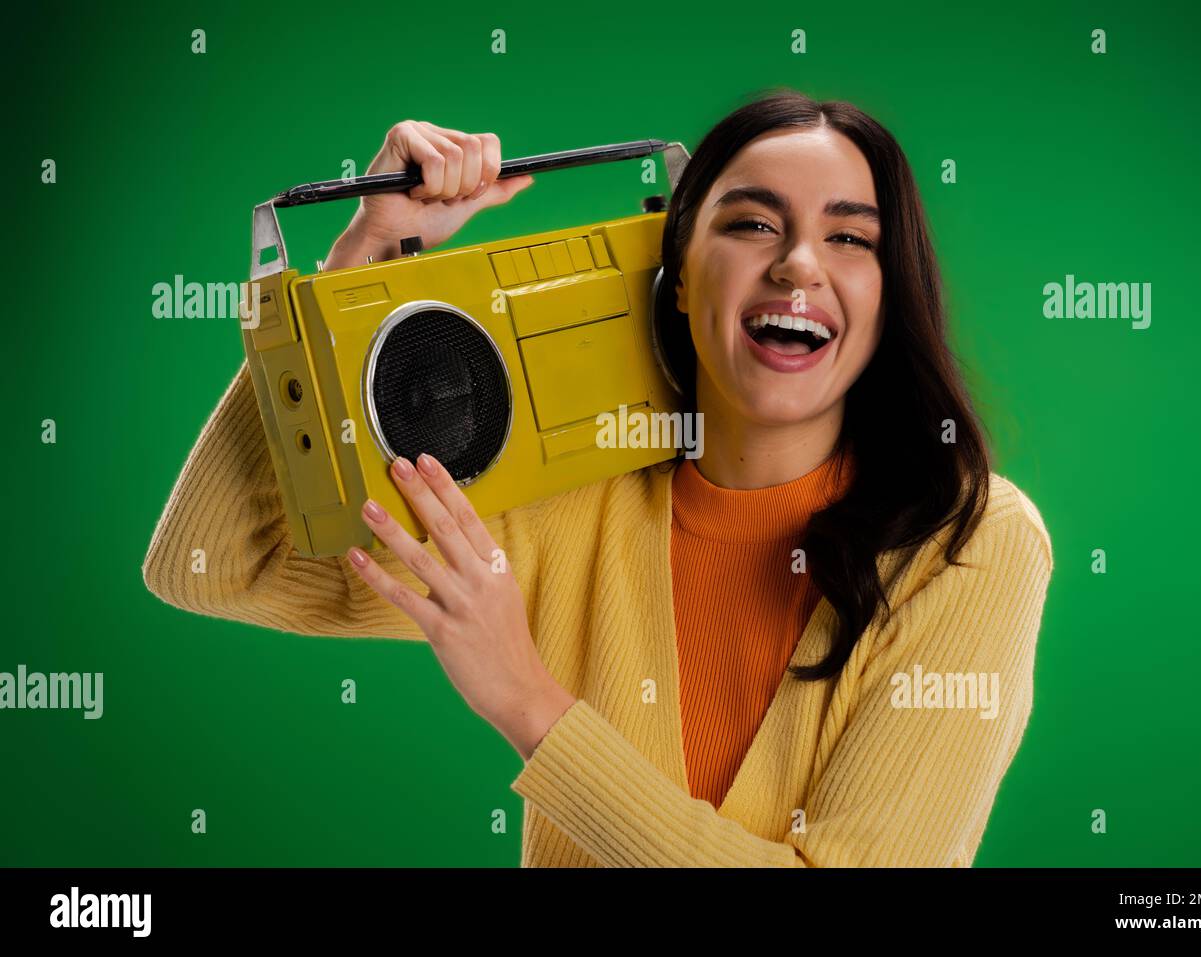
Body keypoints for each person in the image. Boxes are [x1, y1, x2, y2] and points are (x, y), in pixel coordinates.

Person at [143, 88, 1054, 867]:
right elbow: (207, 562)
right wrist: (354, 273)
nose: (798, 264)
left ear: (889, 293)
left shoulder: (972, 544)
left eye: (851, 238)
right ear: (681, 275)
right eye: (752, 223)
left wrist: (528, 701)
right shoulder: (564, 510)